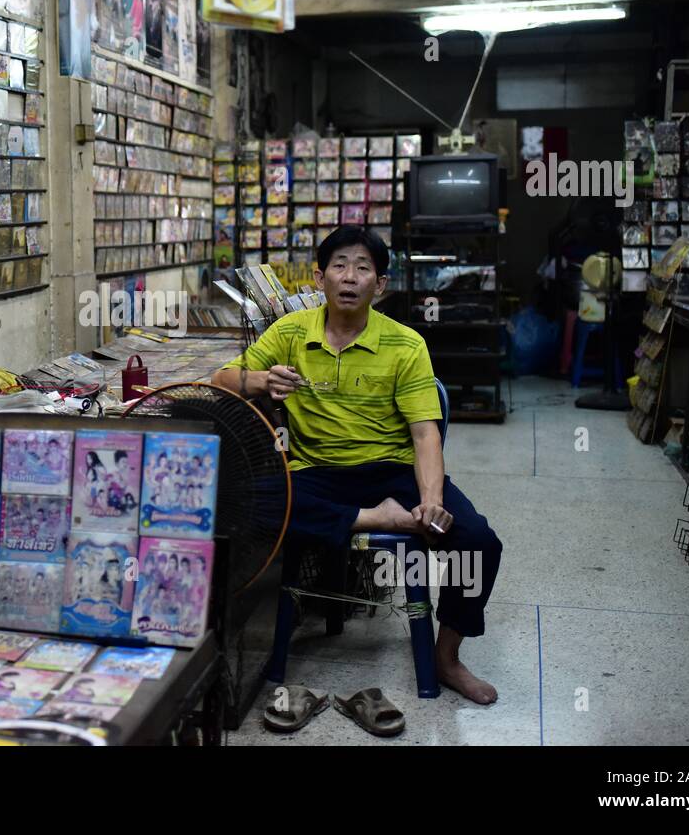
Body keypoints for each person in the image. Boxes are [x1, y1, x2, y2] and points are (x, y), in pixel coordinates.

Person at [211, 226, 503, 705]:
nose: (350, 277)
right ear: (319, 276)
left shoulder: (405, 344)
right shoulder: (289, 333)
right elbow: (221, 380)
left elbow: (425, 433)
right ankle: (375, 518)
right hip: (316, 473)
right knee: (251, 500)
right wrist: (261, 379)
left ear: (380, 284)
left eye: (363, 268)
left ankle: (447, 658)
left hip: (391, 471)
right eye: (340, 265)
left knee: (478, 542)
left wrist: (430, 503)